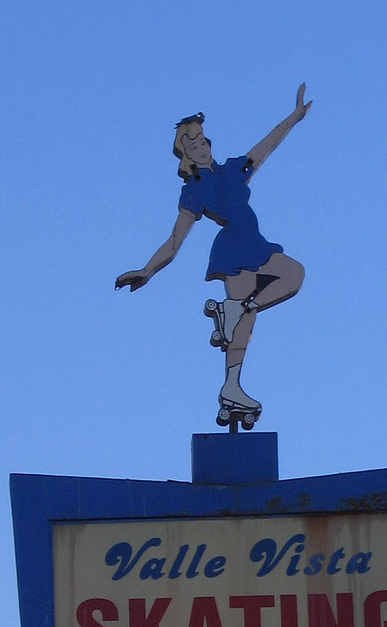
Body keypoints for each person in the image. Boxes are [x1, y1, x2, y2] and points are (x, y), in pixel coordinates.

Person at [116, 84, 311, 418]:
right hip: (232, 250)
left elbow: (266, 145)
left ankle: (233, 320)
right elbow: (174, 241)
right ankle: (232, 384)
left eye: (203, 140)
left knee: (292, 275)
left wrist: (293, 118)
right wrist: (147, 270)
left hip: (255, 242)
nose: (201, 147)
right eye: (193, 144)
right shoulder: (194, 191)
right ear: (186, 154)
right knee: (243, 324)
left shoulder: (234, 169)